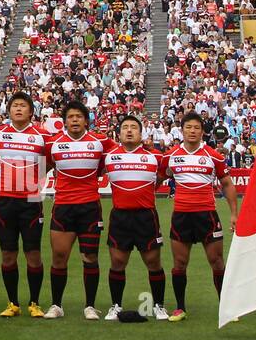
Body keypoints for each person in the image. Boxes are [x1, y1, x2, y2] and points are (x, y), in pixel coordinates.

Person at [164, 112, 239, 321]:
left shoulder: (213, 155)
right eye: (188, 127)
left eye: (196, 127)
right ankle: (180, 308)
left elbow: (227, 184)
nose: (192, 131)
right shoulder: (170, 155)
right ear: (182, 130)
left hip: (207, 214)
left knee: (216, 261)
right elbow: (159, 176)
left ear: (202, 131)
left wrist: (234, 214)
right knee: (179, 263)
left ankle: (226, 308)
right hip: (181, 215)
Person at [43, 102, 110, 320]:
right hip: (63, 207)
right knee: (59, 257)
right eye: (70, 116)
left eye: (78, 116)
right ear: (64, 121)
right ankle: (56, 305)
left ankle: (90, 306)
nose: (74, 120)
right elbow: (41, 167)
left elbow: (119, 155)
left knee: (90, 257)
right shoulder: (53, 144)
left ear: (85, 120)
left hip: (90, 207)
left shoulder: (100, 142)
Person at [103, 115, 169, 320]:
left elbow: (163, 176)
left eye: (133, 128)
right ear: (119, 134)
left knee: (153, 261)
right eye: (125, 128)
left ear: (141, 134)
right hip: (120, 216)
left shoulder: (155, 157)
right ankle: (116, 306)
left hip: (146, 216)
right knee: (117, 262)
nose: (129, 130)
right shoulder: (108, 156)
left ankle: (158, 306)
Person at [0, 92, 49, 318]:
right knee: (8, 255)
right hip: (5, 201)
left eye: (23, 106)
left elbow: (51, 160)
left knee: (33, 254)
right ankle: (12, 303)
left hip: (32, 201)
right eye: (14, 105)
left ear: (31, 111)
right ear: (9, 110)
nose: (18, 109)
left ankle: (34, 303)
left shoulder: (42, 135)